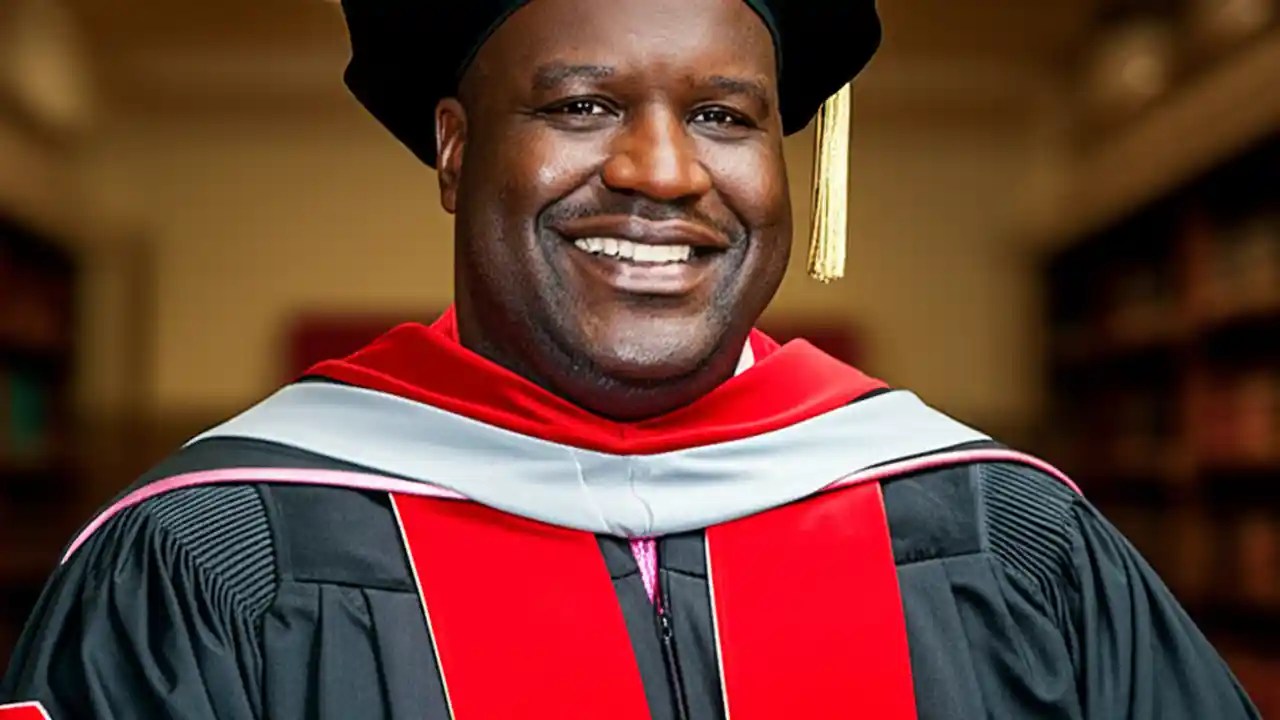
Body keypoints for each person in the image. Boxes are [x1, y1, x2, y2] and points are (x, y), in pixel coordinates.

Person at [0, 0, 1261, 718]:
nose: (661, 172)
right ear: (453, 150)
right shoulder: (213, 557)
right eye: (582, 106)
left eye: (721, 115)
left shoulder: (1004, 532)